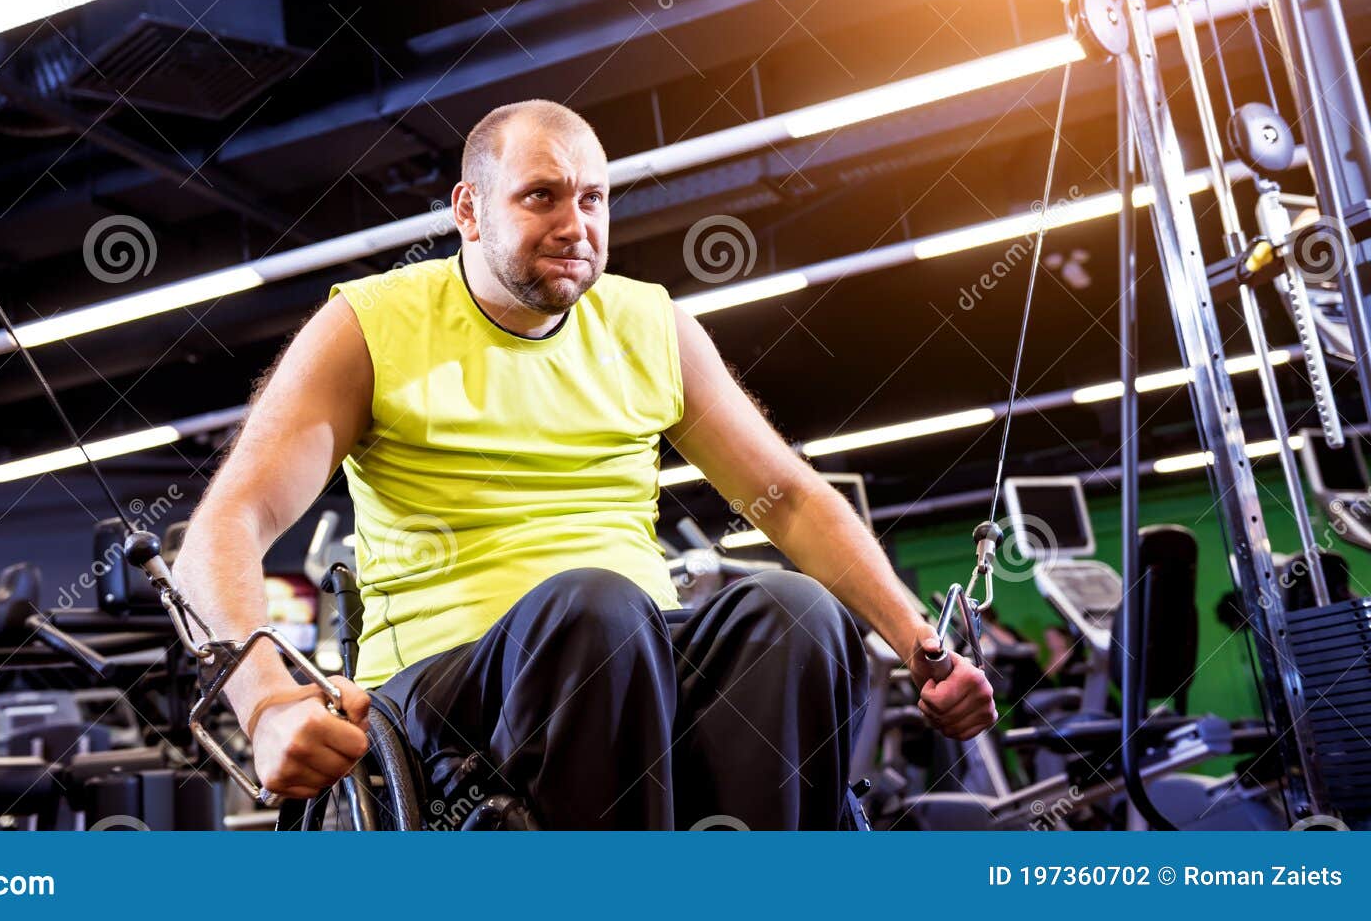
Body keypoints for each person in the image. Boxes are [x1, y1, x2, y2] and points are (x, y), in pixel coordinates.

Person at [172, 99, 995, 829]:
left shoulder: (649, 324)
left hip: (628, 659)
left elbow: (790, 502)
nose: (576, 225)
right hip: (444, 692)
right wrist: (269, 703)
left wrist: (919, 644)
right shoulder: (371, 326)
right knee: (595, 610)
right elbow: (223, 528)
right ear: (468, 209)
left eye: (593, 198)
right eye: (541, 196)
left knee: (793, 612)